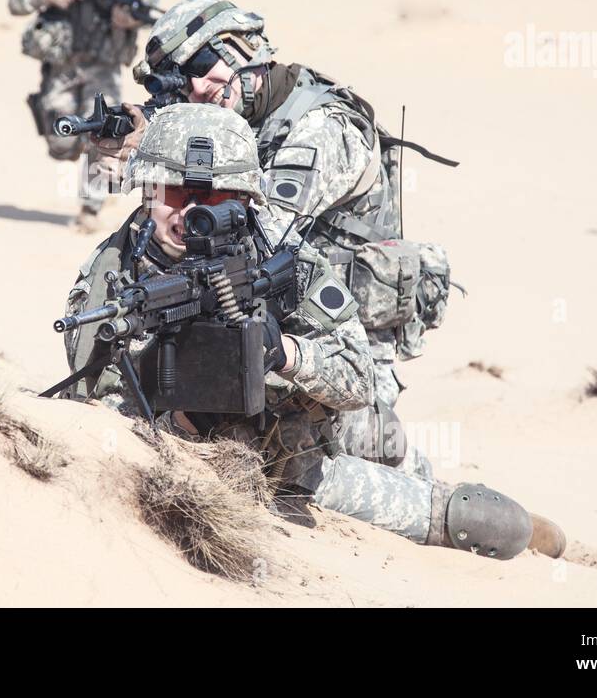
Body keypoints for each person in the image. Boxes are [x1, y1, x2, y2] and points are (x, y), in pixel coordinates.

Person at [64, 102, 565, 559]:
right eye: (174, 192)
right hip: (276, 468)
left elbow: (357, 376)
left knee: (381, 429)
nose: (191, 213)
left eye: (214, 196)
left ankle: (407, 460)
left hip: (307, 426)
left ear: (244, 200)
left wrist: (284, 352)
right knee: (486, 525)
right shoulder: (112, 279)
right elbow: (98, 412)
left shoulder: (283, 255)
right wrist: (182, 416)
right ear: (147, 188)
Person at [92, 0, 453, 478]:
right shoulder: (240, 119)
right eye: (183, 80)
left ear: (245, 50)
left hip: (339, 341)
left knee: (327, 455)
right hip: (249, 313)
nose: (199, 86)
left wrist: (159, 145)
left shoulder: (321, 128)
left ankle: (423, 486)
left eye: (203, 64)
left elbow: (264, 222)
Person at [7, 0, 159, 233]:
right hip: (60, 66)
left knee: (103, 133)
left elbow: (147, 0)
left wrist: (129, 16)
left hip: (102, 67)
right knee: (60, 144)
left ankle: (90, 207)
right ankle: (78, 156)